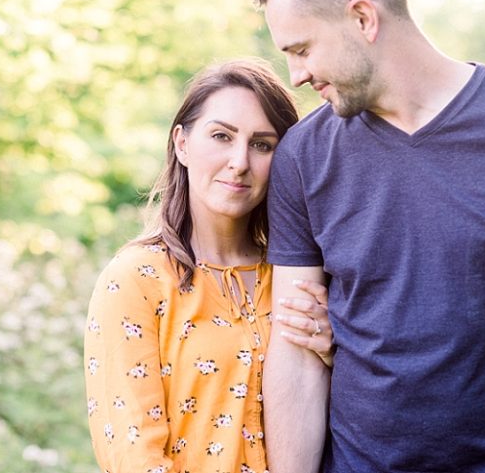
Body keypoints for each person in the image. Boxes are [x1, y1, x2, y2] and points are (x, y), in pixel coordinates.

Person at [253, 0, 485, 473]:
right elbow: (297, 348)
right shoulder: (303, 157)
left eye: (302, 49)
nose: (297, 75)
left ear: (362, 18)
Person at [83, 58, 333, 473]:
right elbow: (133, 455)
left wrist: (336, 354)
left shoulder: (295, 278)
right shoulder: (137, 281)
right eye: (221, 136)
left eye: (262, 144)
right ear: (182, 143)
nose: (239, 162)